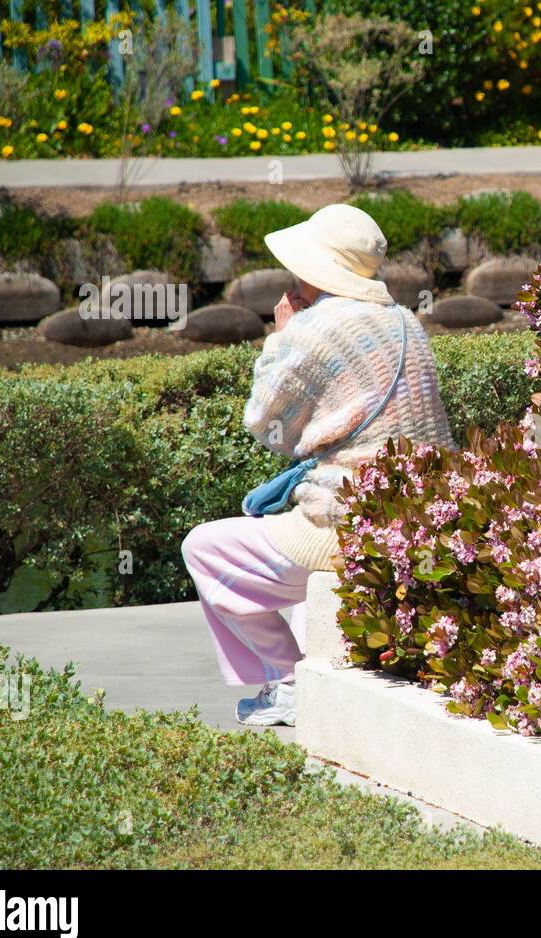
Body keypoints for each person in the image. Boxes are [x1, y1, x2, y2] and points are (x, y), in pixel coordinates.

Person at [181, 204, 454, 726]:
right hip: (421, 510)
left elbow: (265, 422)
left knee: (205, 549)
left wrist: (281, 336)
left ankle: (287, 683)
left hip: (344, 520)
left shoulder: (314, 327)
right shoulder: (405, 321)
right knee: (300, 571)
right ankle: (308, 678)